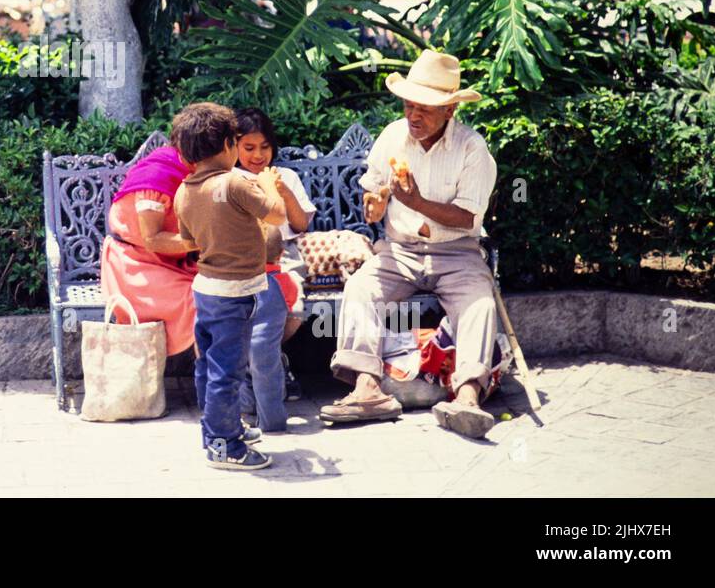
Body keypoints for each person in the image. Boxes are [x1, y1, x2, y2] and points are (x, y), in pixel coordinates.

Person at [319, 50, 500, 439]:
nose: (413, 116)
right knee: (361, 288)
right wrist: (375, 204)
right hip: (398, 250)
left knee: (479, 303)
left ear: (450, 109)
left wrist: (415, 201)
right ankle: (367, 389)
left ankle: (467, 396)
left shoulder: (473, 149)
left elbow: (468, 218)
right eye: (408, 105)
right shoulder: (391, 137)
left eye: (426, 109)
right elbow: (371, 196)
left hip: (457, 252)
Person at [173, 101, 287, 471]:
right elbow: (277, 214)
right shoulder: (235, 181)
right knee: (228, 371)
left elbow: (189, 241)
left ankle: (215, 430)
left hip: (206, 289)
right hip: (235, 294)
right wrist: (268, 185)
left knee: (208, 366)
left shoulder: (183, 192)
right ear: (227, 145)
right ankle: (225, 445)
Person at [233, 108, 316, 428]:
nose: (257, 155)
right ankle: (263, 369)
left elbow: (299, 224)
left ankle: (263, 364)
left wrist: (280, 190)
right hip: (240, 262)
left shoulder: (285, 177)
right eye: (249, 148)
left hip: (283, 260)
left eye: (264, 147)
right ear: (234, 147)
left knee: (292, 311)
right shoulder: (231, 179)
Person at [98, 133, 199, 358]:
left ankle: (226, 382)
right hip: (133, 264)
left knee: (228, 289)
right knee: (202, 299)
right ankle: (214, 385)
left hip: (174, 261)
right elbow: (153, 239)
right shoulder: (157, 178)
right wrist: (207, 240)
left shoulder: (199, 172)